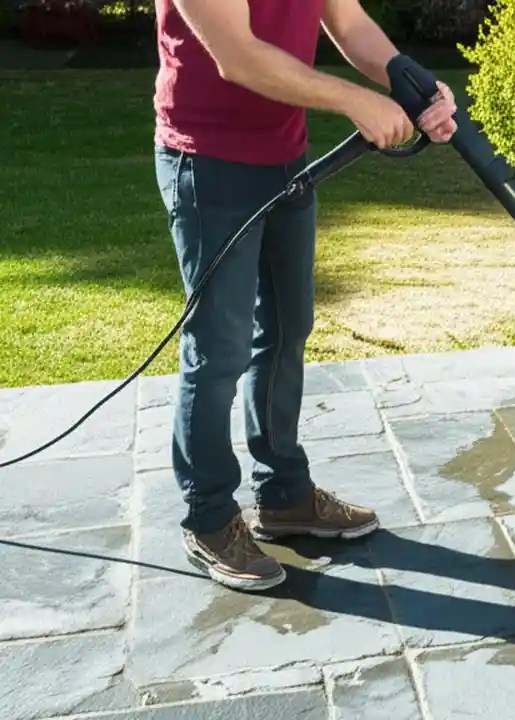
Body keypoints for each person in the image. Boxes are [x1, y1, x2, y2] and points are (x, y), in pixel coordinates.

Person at [152, 0, 458, 593]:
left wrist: (411, 83)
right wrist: (354, 100)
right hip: (207, 162)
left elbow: (348, 22)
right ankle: (208, 516)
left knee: (287, 329)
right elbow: (238, 57)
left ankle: (284, 494)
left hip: (285, 158)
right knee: (219, 349)